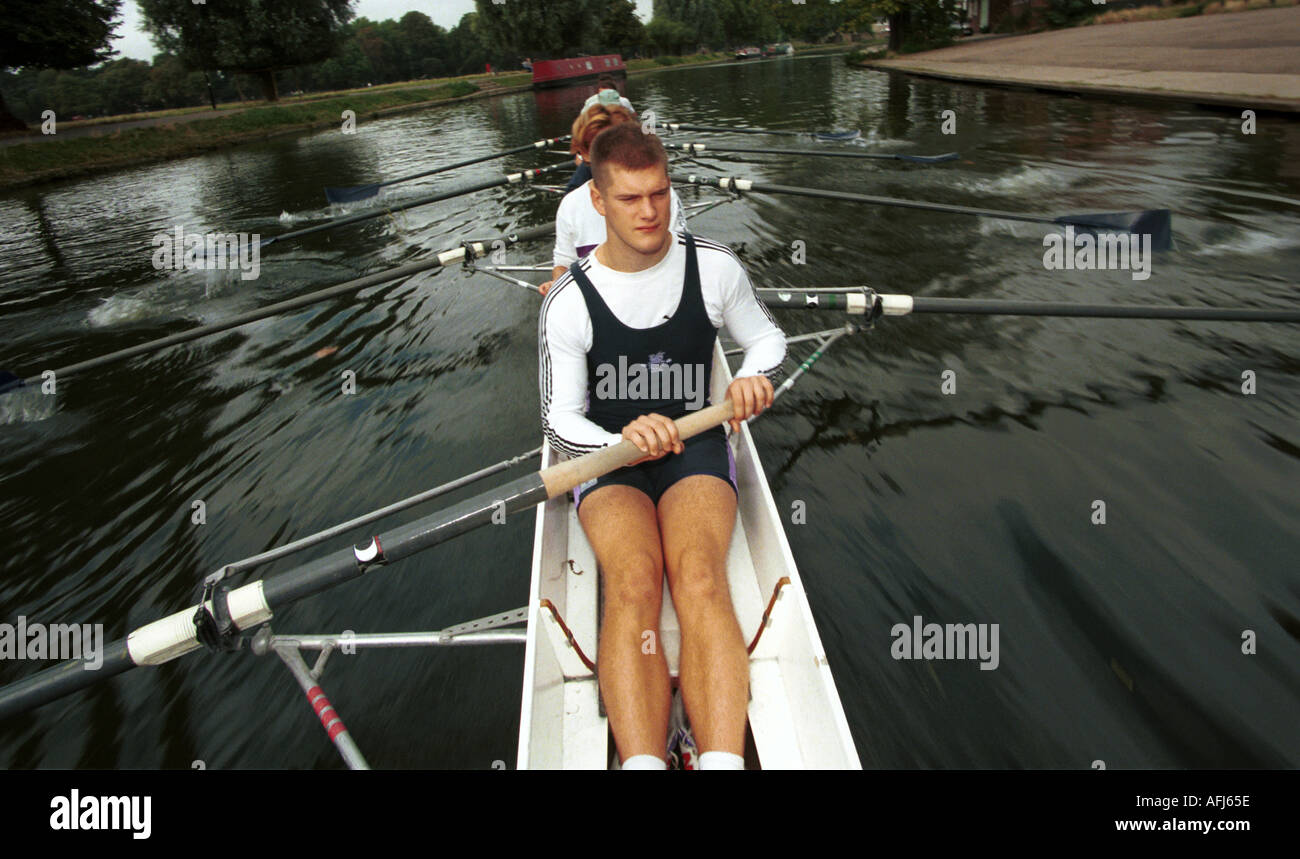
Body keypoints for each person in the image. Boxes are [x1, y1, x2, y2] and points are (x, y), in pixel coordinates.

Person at [538, 122, 786, 770]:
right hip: (607, 454)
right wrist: (619, 438)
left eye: (661, 193)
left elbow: (768, 339)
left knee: (700, 576)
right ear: (597, 200)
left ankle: (724, 760)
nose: (651, 212)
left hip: (696, 439)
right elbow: (561, 421)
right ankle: (644, 759)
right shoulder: (567, 303)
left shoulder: (715, 267)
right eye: (630, 198)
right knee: (632, 582)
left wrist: (756, 373)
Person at [541, 106, 686, 297]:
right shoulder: (570, 205)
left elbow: (680, 255)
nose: (649, 211)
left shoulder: (662, 195)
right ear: (584, 153)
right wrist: (559, 287)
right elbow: (564, 261)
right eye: (596, 147)